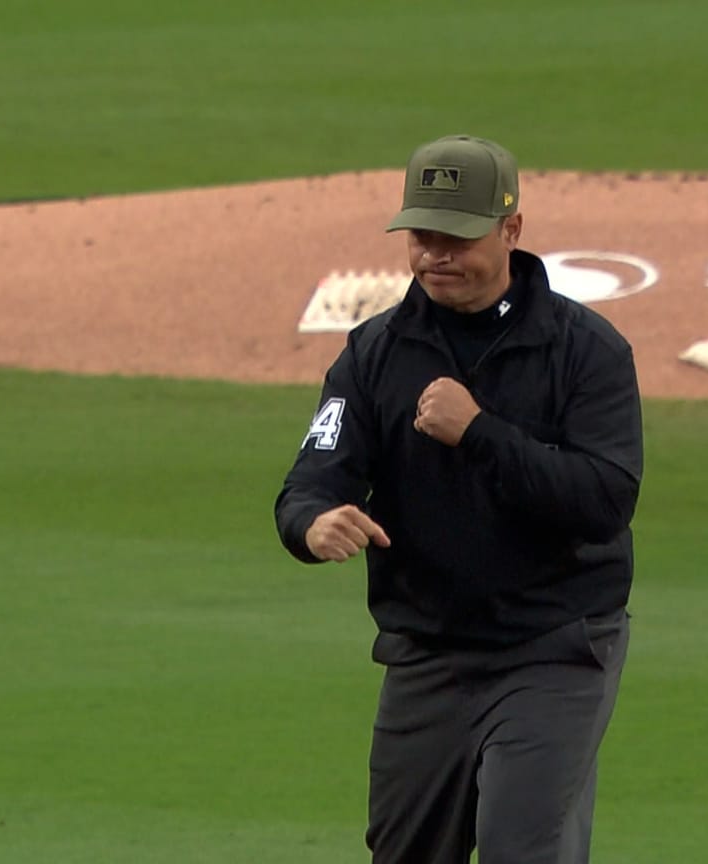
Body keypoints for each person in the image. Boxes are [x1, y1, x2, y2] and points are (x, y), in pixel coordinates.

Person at [273, 134, 643, 864]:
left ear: (511, 229)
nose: (435, 255)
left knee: (522, 848)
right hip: (427, 654)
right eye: (421, 237)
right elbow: (315, 473)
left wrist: (479, 433)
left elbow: (605, 500)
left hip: (556, 646)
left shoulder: (588, 352)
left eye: (457, 238)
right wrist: (312, 522)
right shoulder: (374, 351)